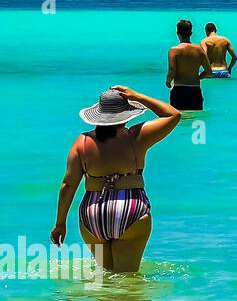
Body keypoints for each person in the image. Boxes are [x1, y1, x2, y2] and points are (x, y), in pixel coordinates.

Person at [51, 87, 181, 273]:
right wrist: (138, 97)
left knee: (107, 279)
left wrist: (60, 223)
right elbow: (173, 115)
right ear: (126, 115)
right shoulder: (137, 136)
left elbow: (68, 185)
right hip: (130, 210)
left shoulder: (82, 142)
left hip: (92, 214)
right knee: (127, 280)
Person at [167, 19, 211, 110]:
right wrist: (198, 77)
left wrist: (168, 81)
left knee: (179, 119)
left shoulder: (174, 50)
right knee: (195, 119)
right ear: (191, 33)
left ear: (177, 33)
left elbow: (172, 69)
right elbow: (208, 71)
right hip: (195, 90)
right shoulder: (199, 49)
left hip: (179, 89)